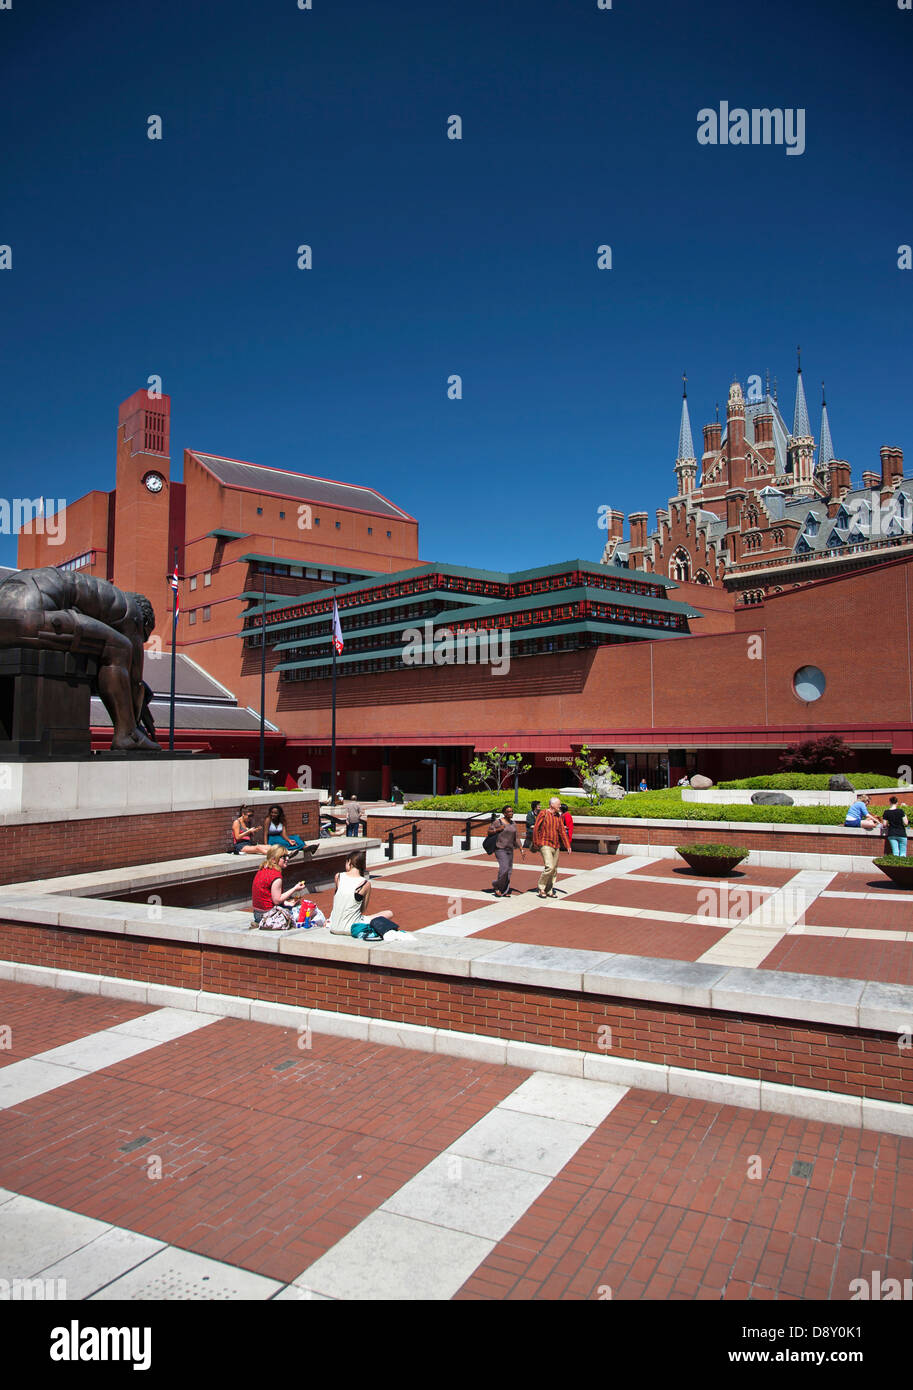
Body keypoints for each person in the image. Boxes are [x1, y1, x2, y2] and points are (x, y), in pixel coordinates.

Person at [0, 566, 159, 751]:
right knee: (120, 648)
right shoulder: (134, 614)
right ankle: (128, 734)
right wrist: (137, 711)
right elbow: (133, 678)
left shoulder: (108, 597)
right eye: (144, 637)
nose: (141, 640)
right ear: (145, 622)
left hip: (9, 607)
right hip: (30, 613)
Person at [327, 850, 413, 942]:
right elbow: (362, 910)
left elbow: (338, 901)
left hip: (334, 927)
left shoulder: (338, 877)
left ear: (349, 862)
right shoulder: (365, 883)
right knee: (389, 913)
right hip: (352, 928)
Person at [251, 845, 306, 926]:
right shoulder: (276, 876)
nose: (287, 859)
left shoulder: (262, 870)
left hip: (257, 914)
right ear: (274, 859)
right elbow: (277, 900)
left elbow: (268, 897)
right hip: (269, 916)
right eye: (283, 857)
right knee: (303, 911)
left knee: (292, 905)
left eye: (287, 856)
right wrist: (295, 888)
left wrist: (286, 903)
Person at [532, 796, 570, 899]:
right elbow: (536, 828)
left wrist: (567, 845)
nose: (560, 806)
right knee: (549, 866)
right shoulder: (543, 813)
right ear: (552, 805)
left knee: (554, 869)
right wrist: (536, 842)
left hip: (556, 844)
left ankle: (549, 890)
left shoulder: (558, 816)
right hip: (544, 843)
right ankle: (541, 888)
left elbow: (562, 830)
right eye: (558, 804)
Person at [489, 805, 525, 896]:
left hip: (510, 849)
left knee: (509, 871)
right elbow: (489, 831)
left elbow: (516, 837)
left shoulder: (513, 823)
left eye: (512, 811)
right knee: (504, 868)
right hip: (500, 848)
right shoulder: (498, 822)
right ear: (504, 813)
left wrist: (521, 849)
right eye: (509, 812)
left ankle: (504, 890)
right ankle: (496, 886)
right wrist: (497, 829)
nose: (511, 813)